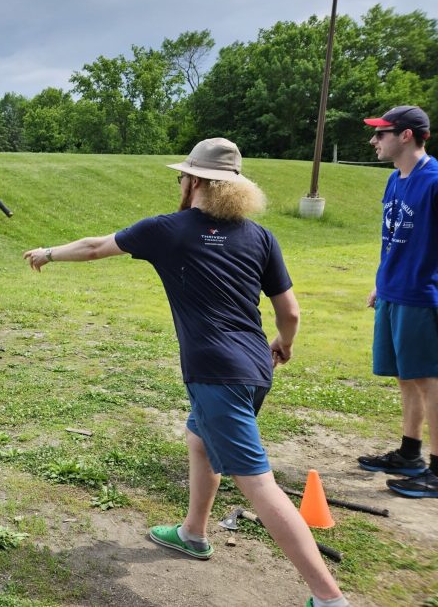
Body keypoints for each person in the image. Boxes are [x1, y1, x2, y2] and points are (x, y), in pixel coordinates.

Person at [24, 139, 348, 607]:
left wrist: (48, 253)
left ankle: (328, 597)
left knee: (258, 483)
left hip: (216, 373)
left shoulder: (167, 229)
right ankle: (193, 533)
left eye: (181, 175)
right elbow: (290, 312)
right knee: (200, 439)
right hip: (255, 367)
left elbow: (96, 247)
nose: (179, 182)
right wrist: (285, 345)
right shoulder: (260, 237)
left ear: (194, 180)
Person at [358, 105, 438, 499]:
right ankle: (410, 454)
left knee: (429, 378)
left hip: (422, 295)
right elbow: (392, 236)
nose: (374, 140)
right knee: (407, 377)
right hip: (393, 290)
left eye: (381, 133)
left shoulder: (434, 180)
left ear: (406, 135)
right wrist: (380, 280)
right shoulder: (394, 180)